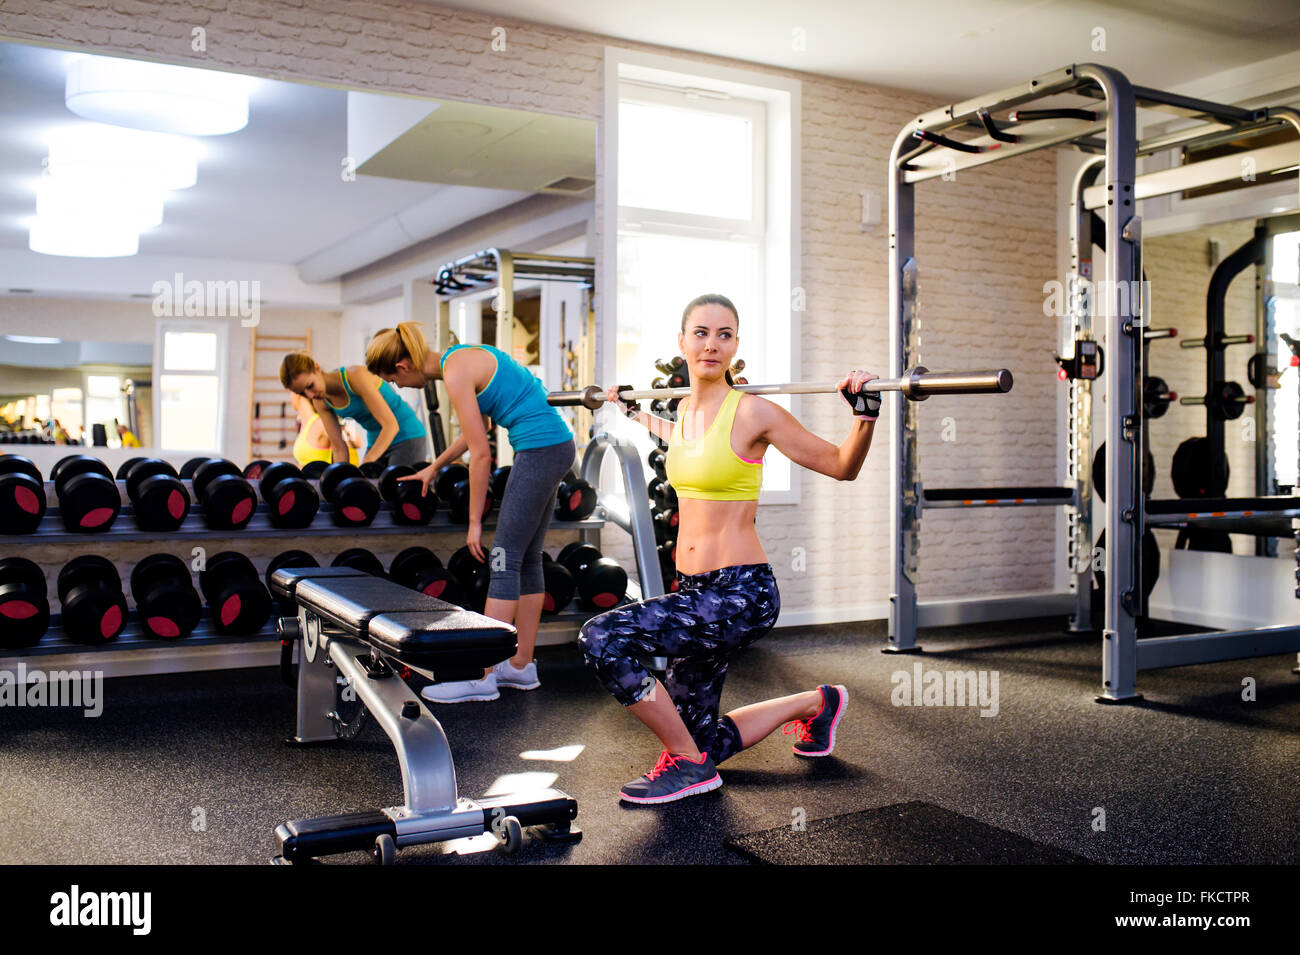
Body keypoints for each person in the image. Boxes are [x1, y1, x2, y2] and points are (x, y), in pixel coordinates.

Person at [578, 293, 877, 804]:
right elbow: (685, 444)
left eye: (724, 335)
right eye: (701, 333)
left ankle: (688, 765)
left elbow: (841, 465)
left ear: (735, 345)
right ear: (682, 342)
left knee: (601, 637)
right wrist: (632, 412)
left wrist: (864, 415)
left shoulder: (755, 412)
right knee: (702, 735)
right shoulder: (687, 411)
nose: (712, 344)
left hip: (739, 593)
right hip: (695, 591)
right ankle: (816, 704)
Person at [365, 322, 576, 703]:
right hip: (554, 445)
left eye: (392, 381)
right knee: (525, 559)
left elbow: (481, 454)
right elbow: (476, 429)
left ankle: (485, 674)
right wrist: (435, 466)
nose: (399, 387)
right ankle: (520, 665)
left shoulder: (454, 371)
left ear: (401, 367)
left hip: (539, 449)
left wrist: (474, 522)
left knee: (502, 557)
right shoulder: (460, 358)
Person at [278, 352, 427, 468]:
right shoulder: (320, 401)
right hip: (377, 441)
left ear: (317, 368)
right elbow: (339, 449)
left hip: (407, 434)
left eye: (310, 386)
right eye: (302, 393)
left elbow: (391, 426)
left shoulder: (355, 376)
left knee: (393, 493)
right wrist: (339, 477)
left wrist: (367, 462)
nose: (310, 395)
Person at [288, 391, 360, 467]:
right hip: (306, 477)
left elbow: (356, 443)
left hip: (321, 477)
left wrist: (342, 422)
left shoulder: (321, 423)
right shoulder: (304, 425)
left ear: (298, 395)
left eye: (291, 392)